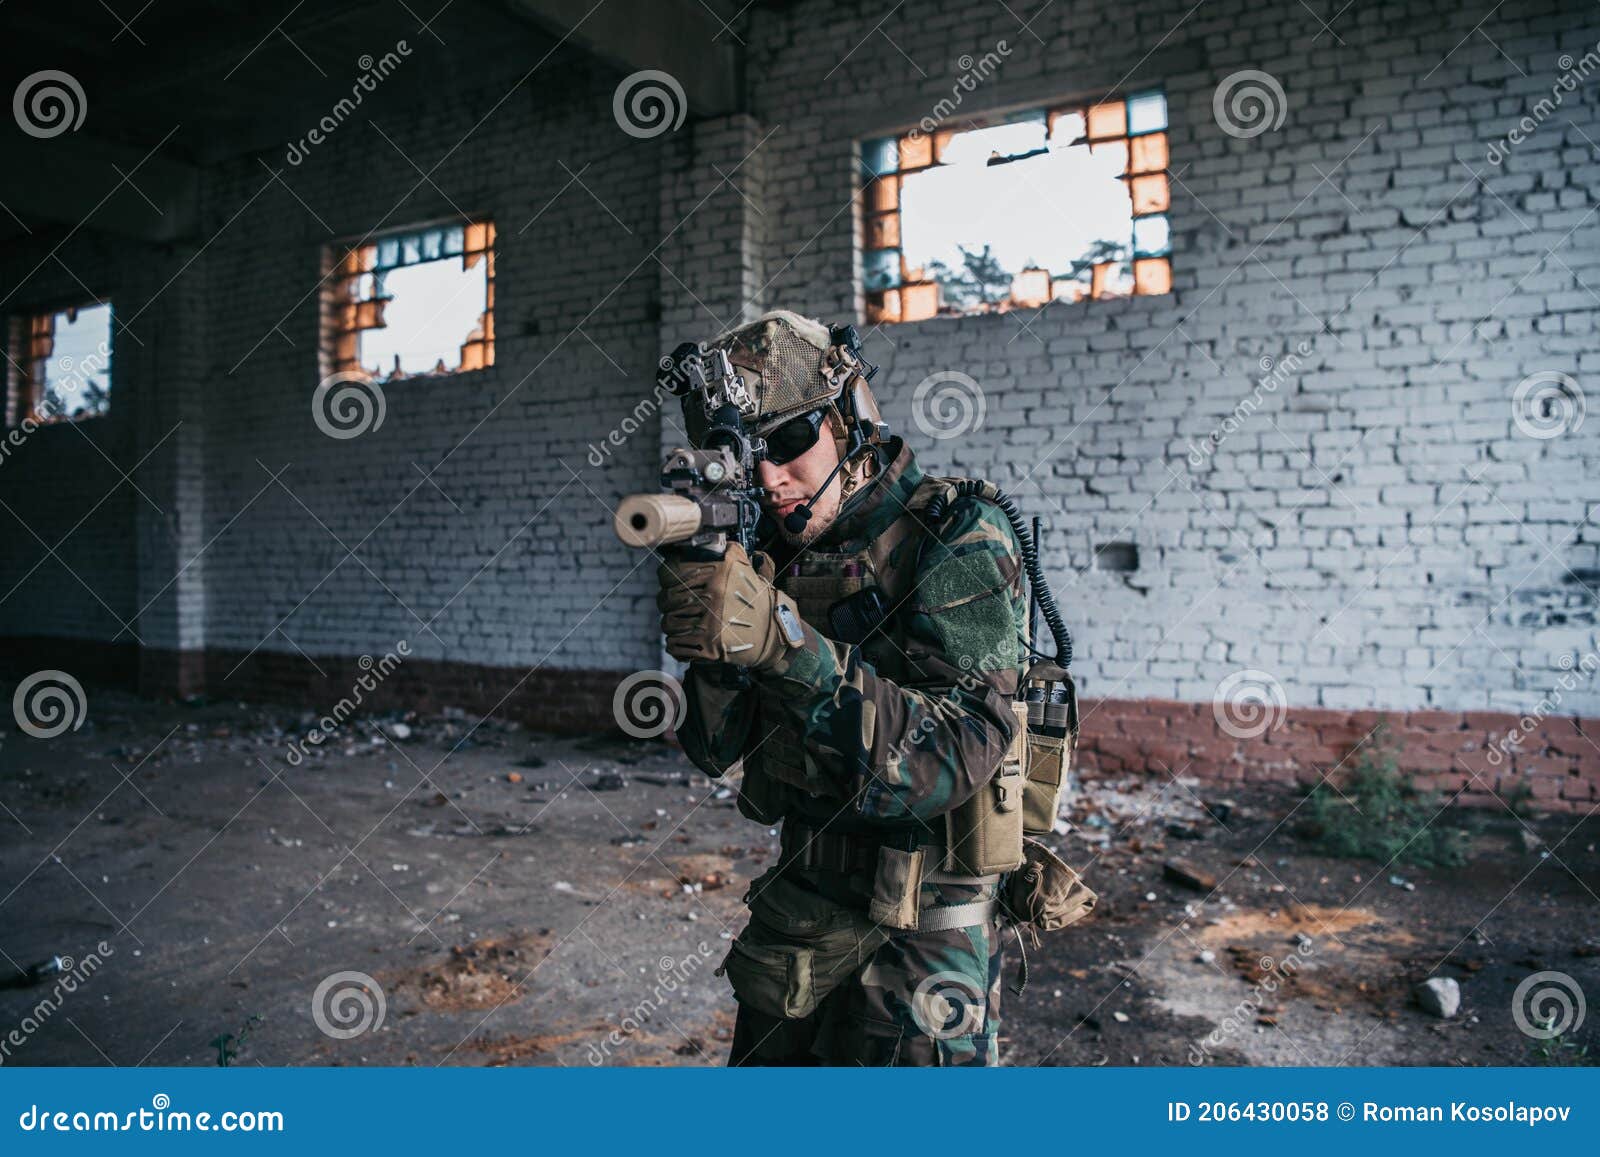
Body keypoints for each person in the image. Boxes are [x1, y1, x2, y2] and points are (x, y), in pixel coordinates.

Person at [656, 309, 1043, 1066]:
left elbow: (948, 760)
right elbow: (712, 748)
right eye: (747, 457)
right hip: (800, 915)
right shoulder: (770, 551)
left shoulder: (958, 536)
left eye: (790, 442)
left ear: (849, 421)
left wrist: (784, 642)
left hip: (923, 933)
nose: (770, 478)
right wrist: (716, 640)